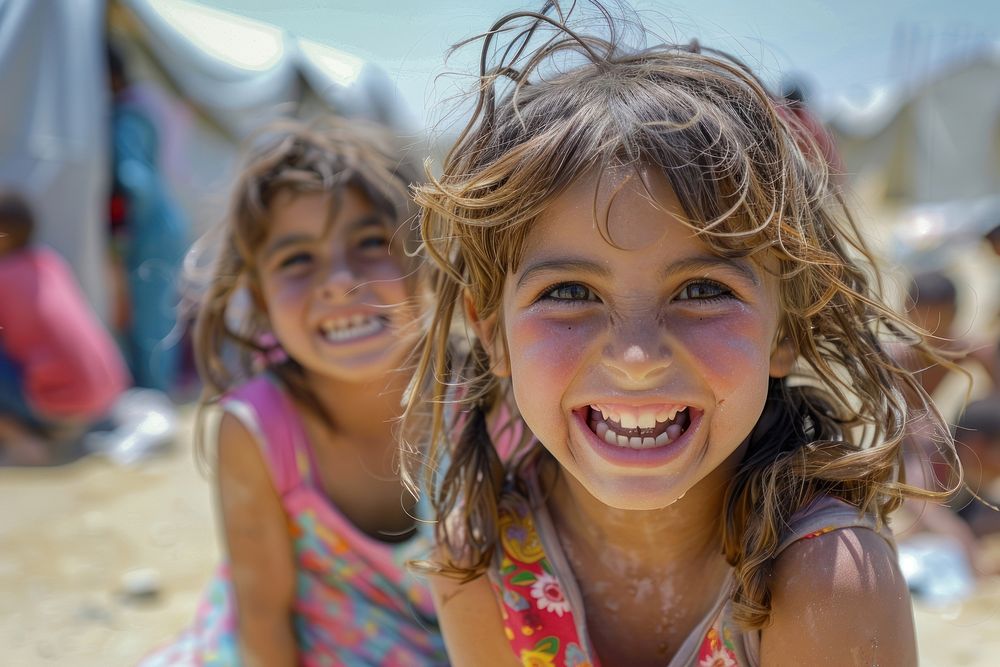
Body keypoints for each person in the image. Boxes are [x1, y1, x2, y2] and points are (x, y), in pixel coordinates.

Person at [400, 3, 958, 665]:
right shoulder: (480, 558)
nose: (637, 358)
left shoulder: (827, 579)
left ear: (786, 330)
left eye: (701, 290)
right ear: (491, 335)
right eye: (571, 293)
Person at [139, 119, 447, 666]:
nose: (337, 280)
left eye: (372, 242)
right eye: (298, 260)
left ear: (426, 257)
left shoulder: (476, 399)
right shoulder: (258, 428)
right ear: (258, 296)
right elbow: (262, 617)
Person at [0, 190, 130, 465]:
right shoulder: (49, 262)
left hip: (61, 407)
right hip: (106, 399)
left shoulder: (4, 276)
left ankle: (21, 441)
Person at [107, 42, 190, 393]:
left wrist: (119, 234)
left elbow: (134, 180)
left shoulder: (125, 116)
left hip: (151, 228)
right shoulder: (144, 108)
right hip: (165, 222)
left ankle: (156, 393)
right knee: (158, 312)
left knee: (151, 317)